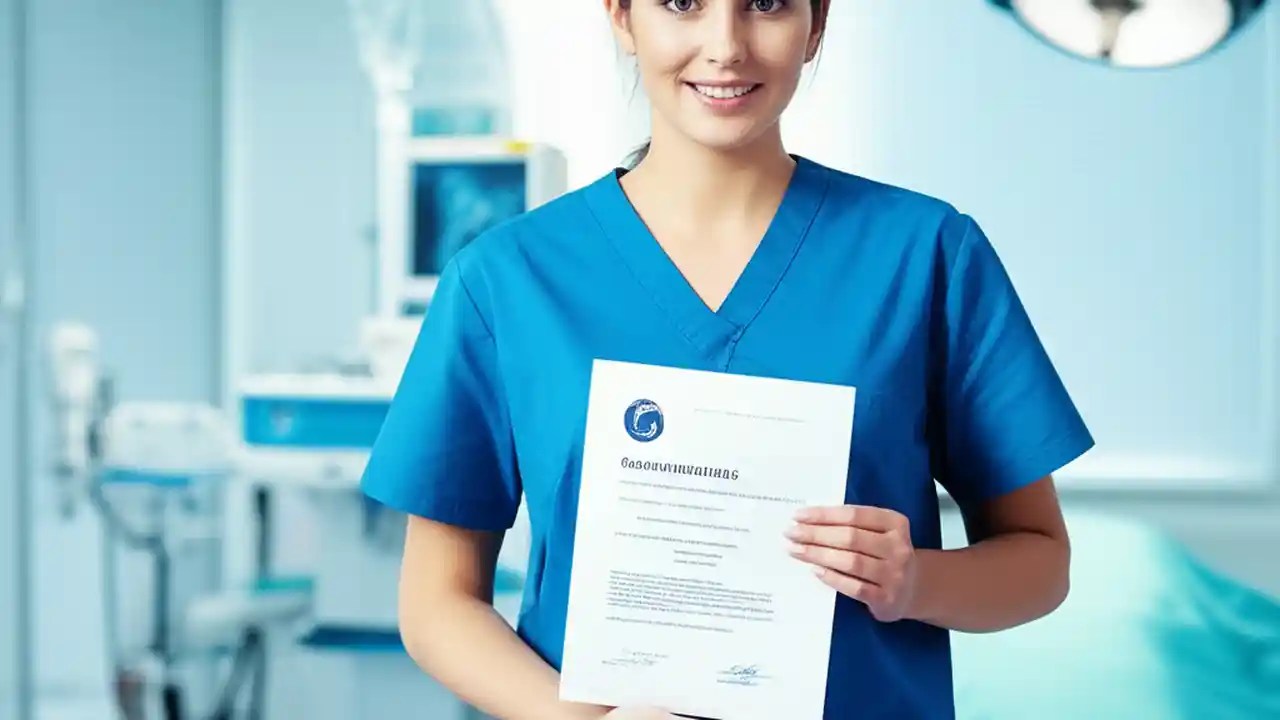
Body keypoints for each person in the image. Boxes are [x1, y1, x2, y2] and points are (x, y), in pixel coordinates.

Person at [360, 0, 1095, 718]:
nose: (726, 45)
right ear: (622, 17)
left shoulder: (927, 254)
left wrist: (914, 582)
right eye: (682, 3)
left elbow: (1039, 563)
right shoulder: (507, 280)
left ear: (818, 24)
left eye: (766, 4)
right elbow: (437, 603)